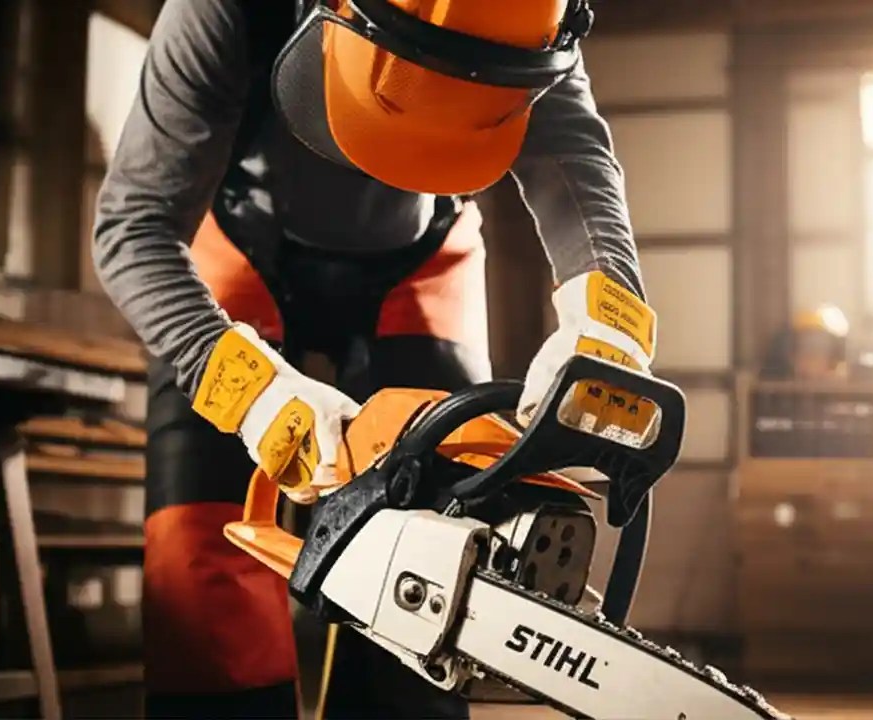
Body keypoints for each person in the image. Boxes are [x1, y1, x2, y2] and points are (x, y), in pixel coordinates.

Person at [91, 0, 660, 717]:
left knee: (443, 548)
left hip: (418, 259)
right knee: (202, 554)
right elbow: (131, 228)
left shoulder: (528, 17)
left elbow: (573, 153)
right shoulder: (221, 11)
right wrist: (253, 394)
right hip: (239, 254)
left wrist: (607, 321)